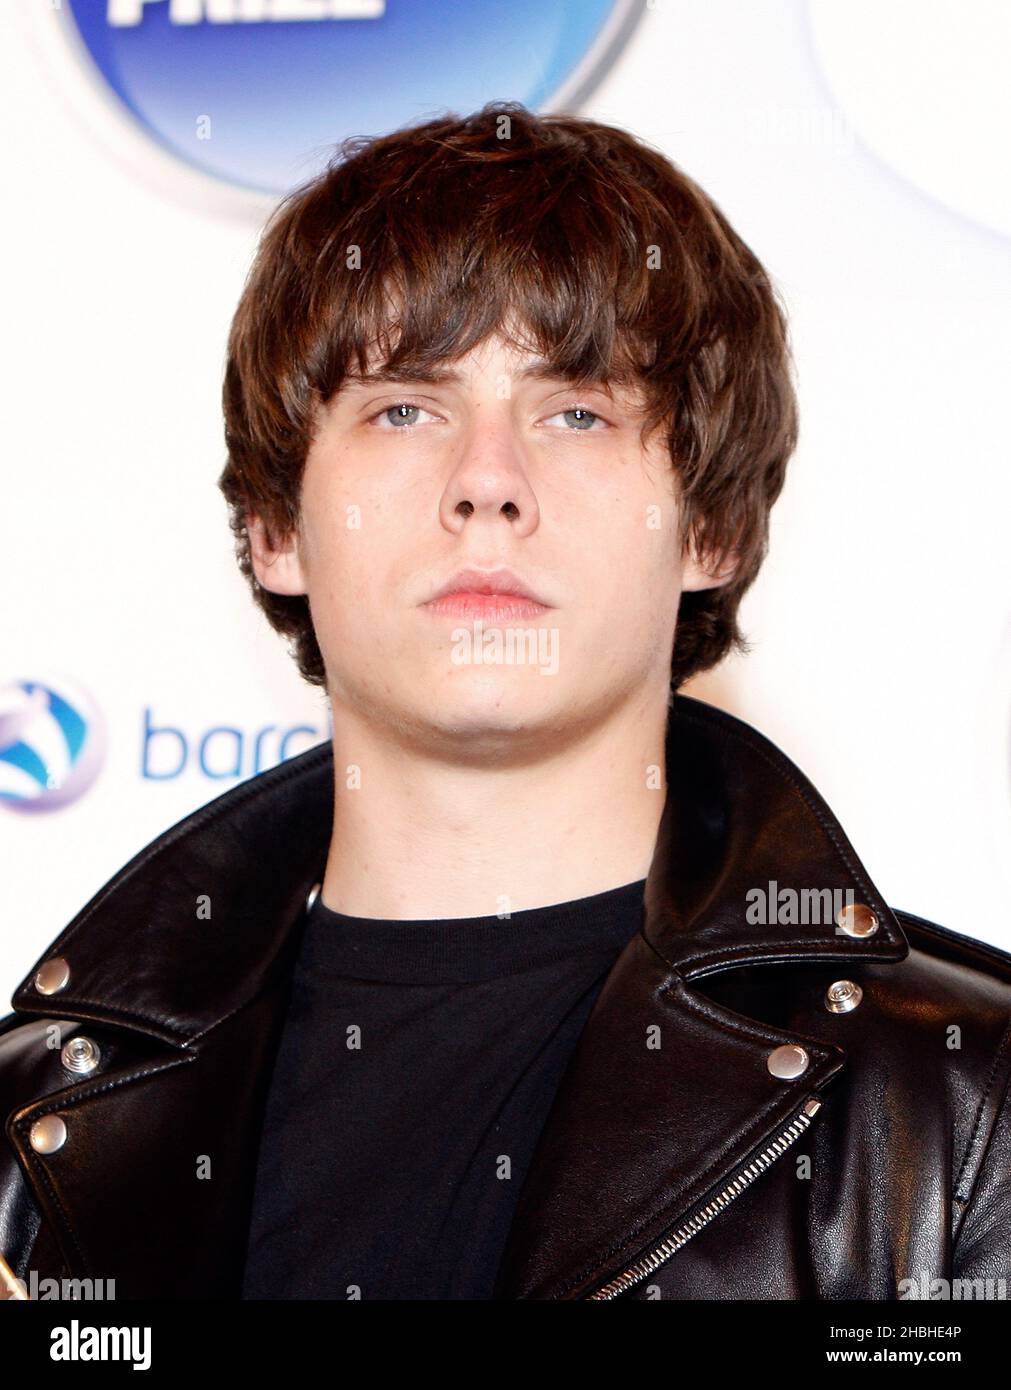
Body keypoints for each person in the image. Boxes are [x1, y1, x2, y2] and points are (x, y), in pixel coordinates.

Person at [1, 102, 1008, 1303]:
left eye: (576, 410)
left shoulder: (965, 1106)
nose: (487, 483)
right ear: (277, 528)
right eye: (404, 409)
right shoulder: (31, 1137)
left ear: (712, 527)